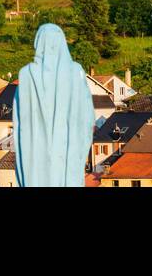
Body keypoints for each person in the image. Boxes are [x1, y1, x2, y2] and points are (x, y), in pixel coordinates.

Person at [13, 24, 95, 186]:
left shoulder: (27, 74)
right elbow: (87, 118)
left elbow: (18, 119)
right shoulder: (74, 72)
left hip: (35, 156)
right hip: (66, 152)